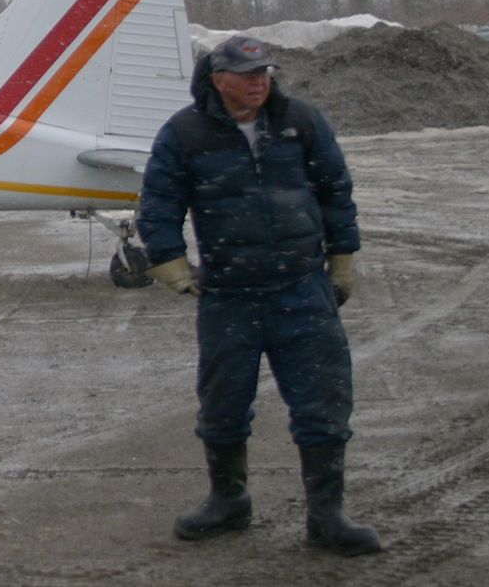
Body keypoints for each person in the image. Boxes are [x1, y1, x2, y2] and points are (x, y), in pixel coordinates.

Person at [138, 34, 382, 557]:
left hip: (301, 288)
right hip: (229, 294)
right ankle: (228, 500)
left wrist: (342, 259)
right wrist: (172, 266)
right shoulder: (184, 133)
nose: (259, 82)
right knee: (223, 405)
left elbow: (336, 191)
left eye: (265, 72)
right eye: (247, 74)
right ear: (217, 79)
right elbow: (159, 203)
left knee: (323, 402)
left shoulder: (301, 121)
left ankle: (327, 515)